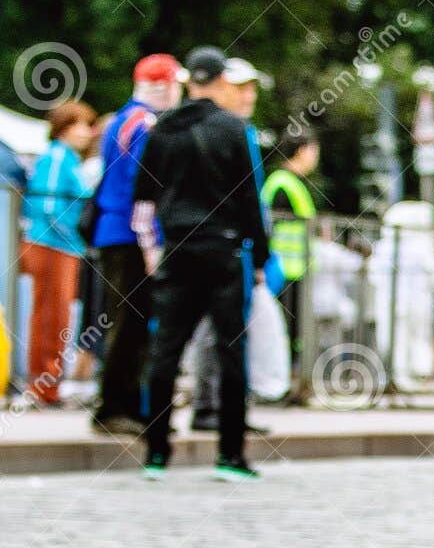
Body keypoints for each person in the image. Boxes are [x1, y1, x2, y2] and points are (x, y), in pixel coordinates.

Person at [133, 46, 271, 482]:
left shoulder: (161, 131)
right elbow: (250, 198)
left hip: (176, 248)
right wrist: (261, 254)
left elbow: (143, 198)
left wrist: (153, 251)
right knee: (231, 349)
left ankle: (156, 451)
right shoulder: (234, 130)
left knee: (166, 350)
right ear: (221, 81)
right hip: (223, 248)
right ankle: (230, 455)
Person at [87, 56, 184, 434]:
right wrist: (152, 244)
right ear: (163, 86)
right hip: (130, 235)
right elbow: (142, 189)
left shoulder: (122, 119)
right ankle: (114, 407)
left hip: (118, 231)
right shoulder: (145, 125)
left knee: (132, 322)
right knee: (130, 323)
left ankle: (127, 405)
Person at [192, 54, 271, 436]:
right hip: (218, 241)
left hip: (232, 241)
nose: (249, 95)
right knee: (216, 328)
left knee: (230, 327)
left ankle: (227, 408)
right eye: (241, 87)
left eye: (252, 88)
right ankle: (210, 405)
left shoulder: (242, 131)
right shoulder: (221, 131)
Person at [20, 101, 97, 406]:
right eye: (80, 125)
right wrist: (77, 236)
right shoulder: (56, 157)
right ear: (64, 127)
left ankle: (47, 385)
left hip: (62, 245)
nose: (86, 132)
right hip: (52, 245)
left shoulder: (67, 158)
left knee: (58, 317)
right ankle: (42, 386)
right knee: (51, 316)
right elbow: (48, 205)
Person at [262, 132, 319, 369]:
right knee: (285, 329)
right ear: (302, 150)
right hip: (282, 270)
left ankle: (291, 378)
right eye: (314, 150)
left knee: (294, 331)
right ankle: (284, 379)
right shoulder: (282, 183)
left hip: (294, 270)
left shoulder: (291, 183)